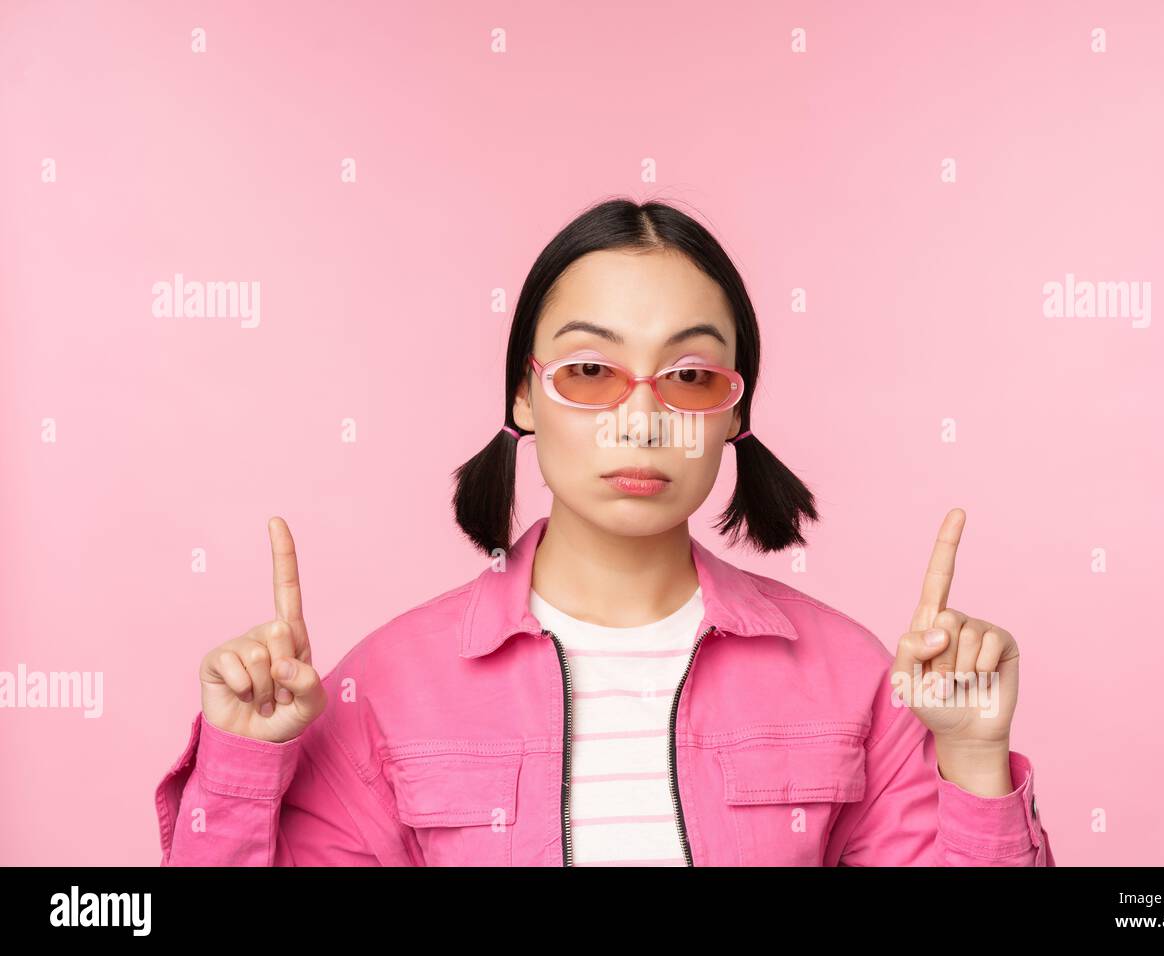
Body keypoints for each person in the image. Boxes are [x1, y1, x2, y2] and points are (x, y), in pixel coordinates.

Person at [155, 197, 1055, 866]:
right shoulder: (384, 686)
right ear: (523, 395)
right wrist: (239, 767)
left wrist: (974, 760)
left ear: (735, 412)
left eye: (690, 376)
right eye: (590, 370)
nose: (642, 419)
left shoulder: (854, 678)